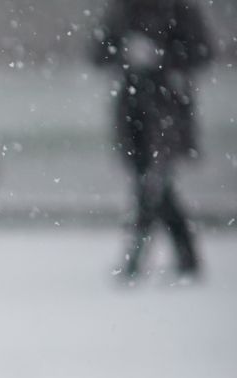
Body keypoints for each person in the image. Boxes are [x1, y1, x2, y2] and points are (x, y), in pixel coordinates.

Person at [91, 0, 215, 281]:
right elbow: (97, 53)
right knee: (151, 184)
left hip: (168, 110)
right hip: (132, 112)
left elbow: (203, 52)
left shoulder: (179, 9)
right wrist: (124, 51)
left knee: (154, 184)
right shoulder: (122, 10)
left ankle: (138, 257)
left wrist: (160, 56)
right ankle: (185, 257)